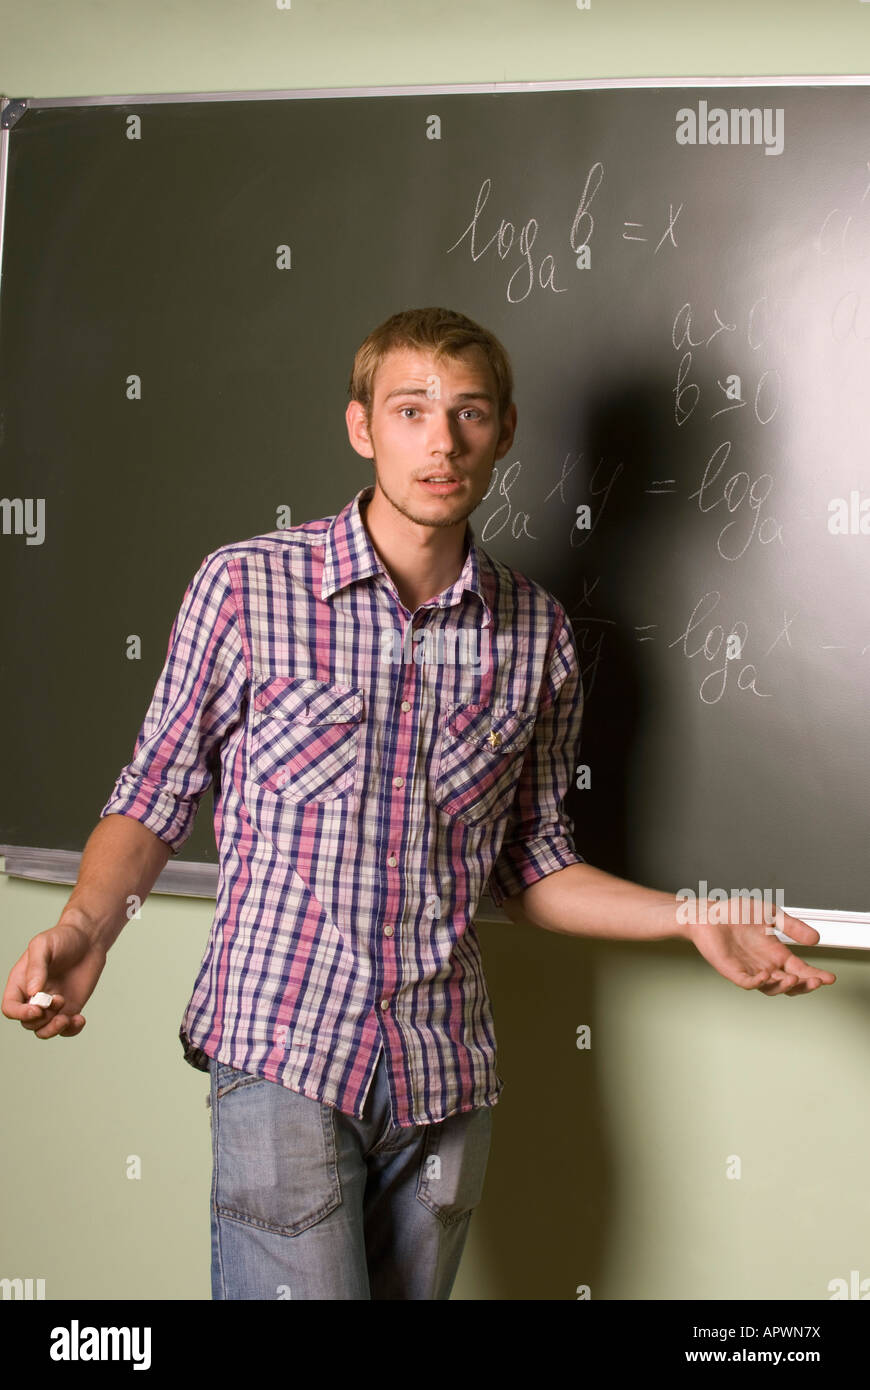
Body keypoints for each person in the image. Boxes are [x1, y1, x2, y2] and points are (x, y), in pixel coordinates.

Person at [2, 306, 836, 1301]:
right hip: (286, 1049)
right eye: (411, 410)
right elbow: (152, 796)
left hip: (444, 1074)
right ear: (362, 426)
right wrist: (85, 929)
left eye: (469, 413)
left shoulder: (537, 635)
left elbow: (535, 863)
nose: (442, 442)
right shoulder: (247, 588)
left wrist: (692, 915)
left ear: (505, 430)